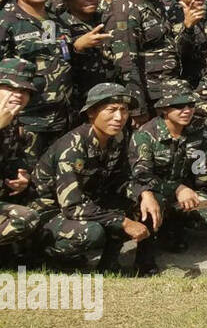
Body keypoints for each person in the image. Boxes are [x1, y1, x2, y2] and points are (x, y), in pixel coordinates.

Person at [31, 83, 154, 273]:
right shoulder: (73, 146)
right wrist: (124, 222)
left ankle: (110, 264)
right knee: (91, 232)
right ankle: (45, 257)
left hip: (87, 203)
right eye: (111, 110)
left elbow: (121, 180)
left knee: (144, 206)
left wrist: (144, 194)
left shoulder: (117, 138)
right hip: (50, 211)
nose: (119, 117)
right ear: (91, 113)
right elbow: (72, 205)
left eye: (124, 111)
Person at [0, 0, 110, 157]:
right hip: (27, 123)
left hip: (64, 118)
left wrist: (77, 47)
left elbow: (60, 58)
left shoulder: (55, 20)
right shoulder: (6, 23)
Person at [129, 79, 207, 252]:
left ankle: (178, 225)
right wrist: (177, 189)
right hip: (156, 193)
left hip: (187, 195)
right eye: (179, 106)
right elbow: (142, 176)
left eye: (190, 104)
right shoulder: (145, 135)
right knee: (153, 201)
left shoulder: (198, 128)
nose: (187, 111)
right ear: (164, 109)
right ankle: (148, 253)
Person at [105, 0, 181, 123]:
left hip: (166, 89)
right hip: (147, 96)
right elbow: (126, 63)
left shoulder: (154, 1)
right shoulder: (123, 9)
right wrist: (137, 108)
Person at [0, 58, 42, 254]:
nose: (18, 95)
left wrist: (22, 180)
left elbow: (14, 164)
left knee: (29, 216)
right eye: (10, 87)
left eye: (24, 91)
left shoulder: (16, 126)